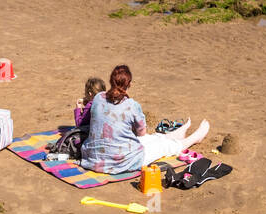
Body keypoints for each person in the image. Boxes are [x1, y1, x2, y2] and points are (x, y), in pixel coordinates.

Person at [81, 65, 209, 175]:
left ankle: (172, 135)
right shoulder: (131, 105)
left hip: (92, 159)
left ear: (110, 81)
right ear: (129, 84)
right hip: (121, 163)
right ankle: (192, 139)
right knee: (162, 146)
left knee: (147, 139)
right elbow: (141, 133)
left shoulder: (98, 98)